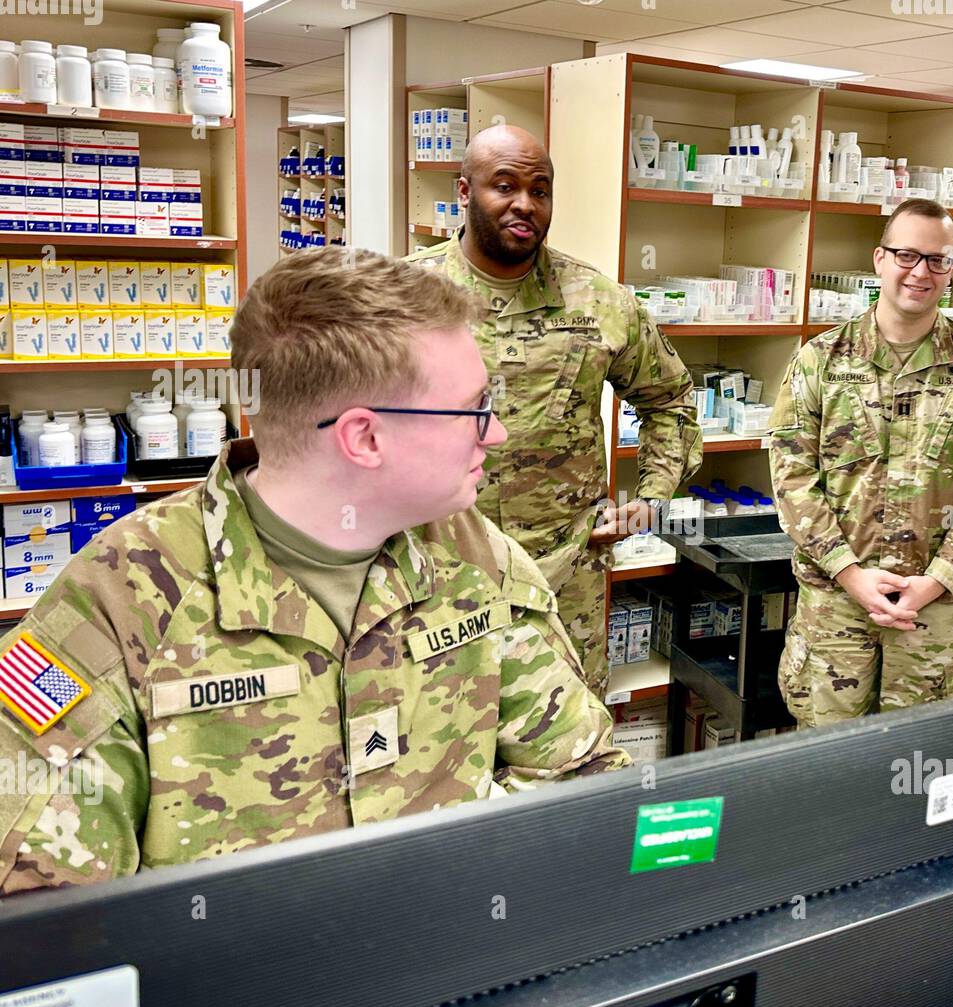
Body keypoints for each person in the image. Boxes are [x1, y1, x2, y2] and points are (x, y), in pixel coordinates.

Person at [0, 248, 628, 896]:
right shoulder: (119, 600)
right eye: (475, 408)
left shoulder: (473, 556)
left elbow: (581, 778)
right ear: (365, 439)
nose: (495, 434)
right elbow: (49, 928)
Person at [406, 125, 702, 696]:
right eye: (505, 186)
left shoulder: (597, 301)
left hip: (566, 575)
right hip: (434, 568)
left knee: (568, 747)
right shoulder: (404, 295)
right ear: (463, 192)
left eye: (540, 190)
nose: (525, 204)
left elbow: (670, 401)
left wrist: (651, 499)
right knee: (440, 744)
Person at [770, 198, 953, 727]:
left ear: (951, 270)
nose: (921, 272)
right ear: (880, 259)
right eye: (907, 255)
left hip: (931, 614)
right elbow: (794, 478)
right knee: (827, 762)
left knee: (923, 763)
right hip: (838, 610)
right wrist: (850, 574)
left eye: (938, 260)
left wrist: (936, 580)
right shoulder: (821, 360)